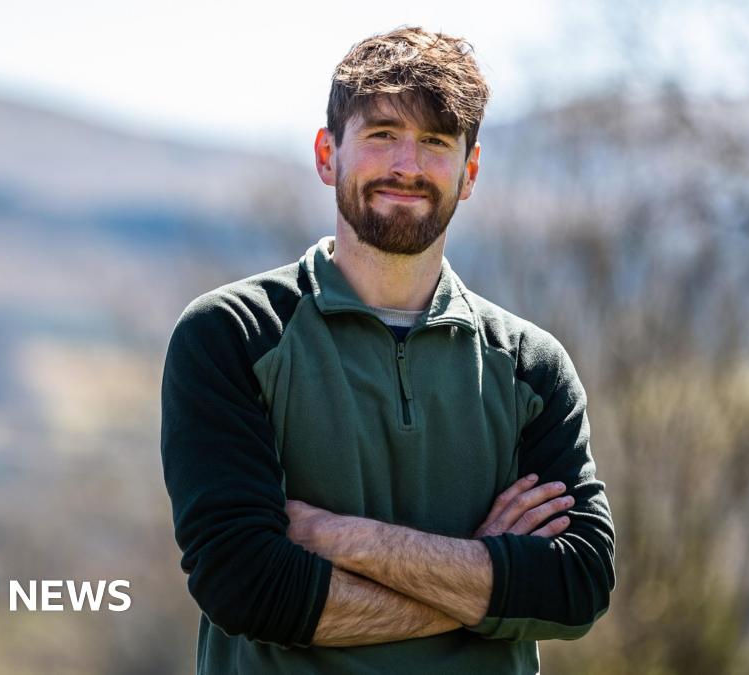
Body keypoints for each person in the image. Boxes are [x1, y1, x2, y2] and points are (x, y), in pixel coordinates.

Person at [160, 26, 615, 674]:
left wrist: (341, 537)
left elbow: (577, 586)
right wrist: (490, 575)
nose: (407, 164)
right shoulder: (233, 334)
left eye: (435, 141)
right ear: (327, 155)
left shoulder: (529, 366)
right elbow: (247, 586)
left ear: (470, 170)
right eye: (381, 135)